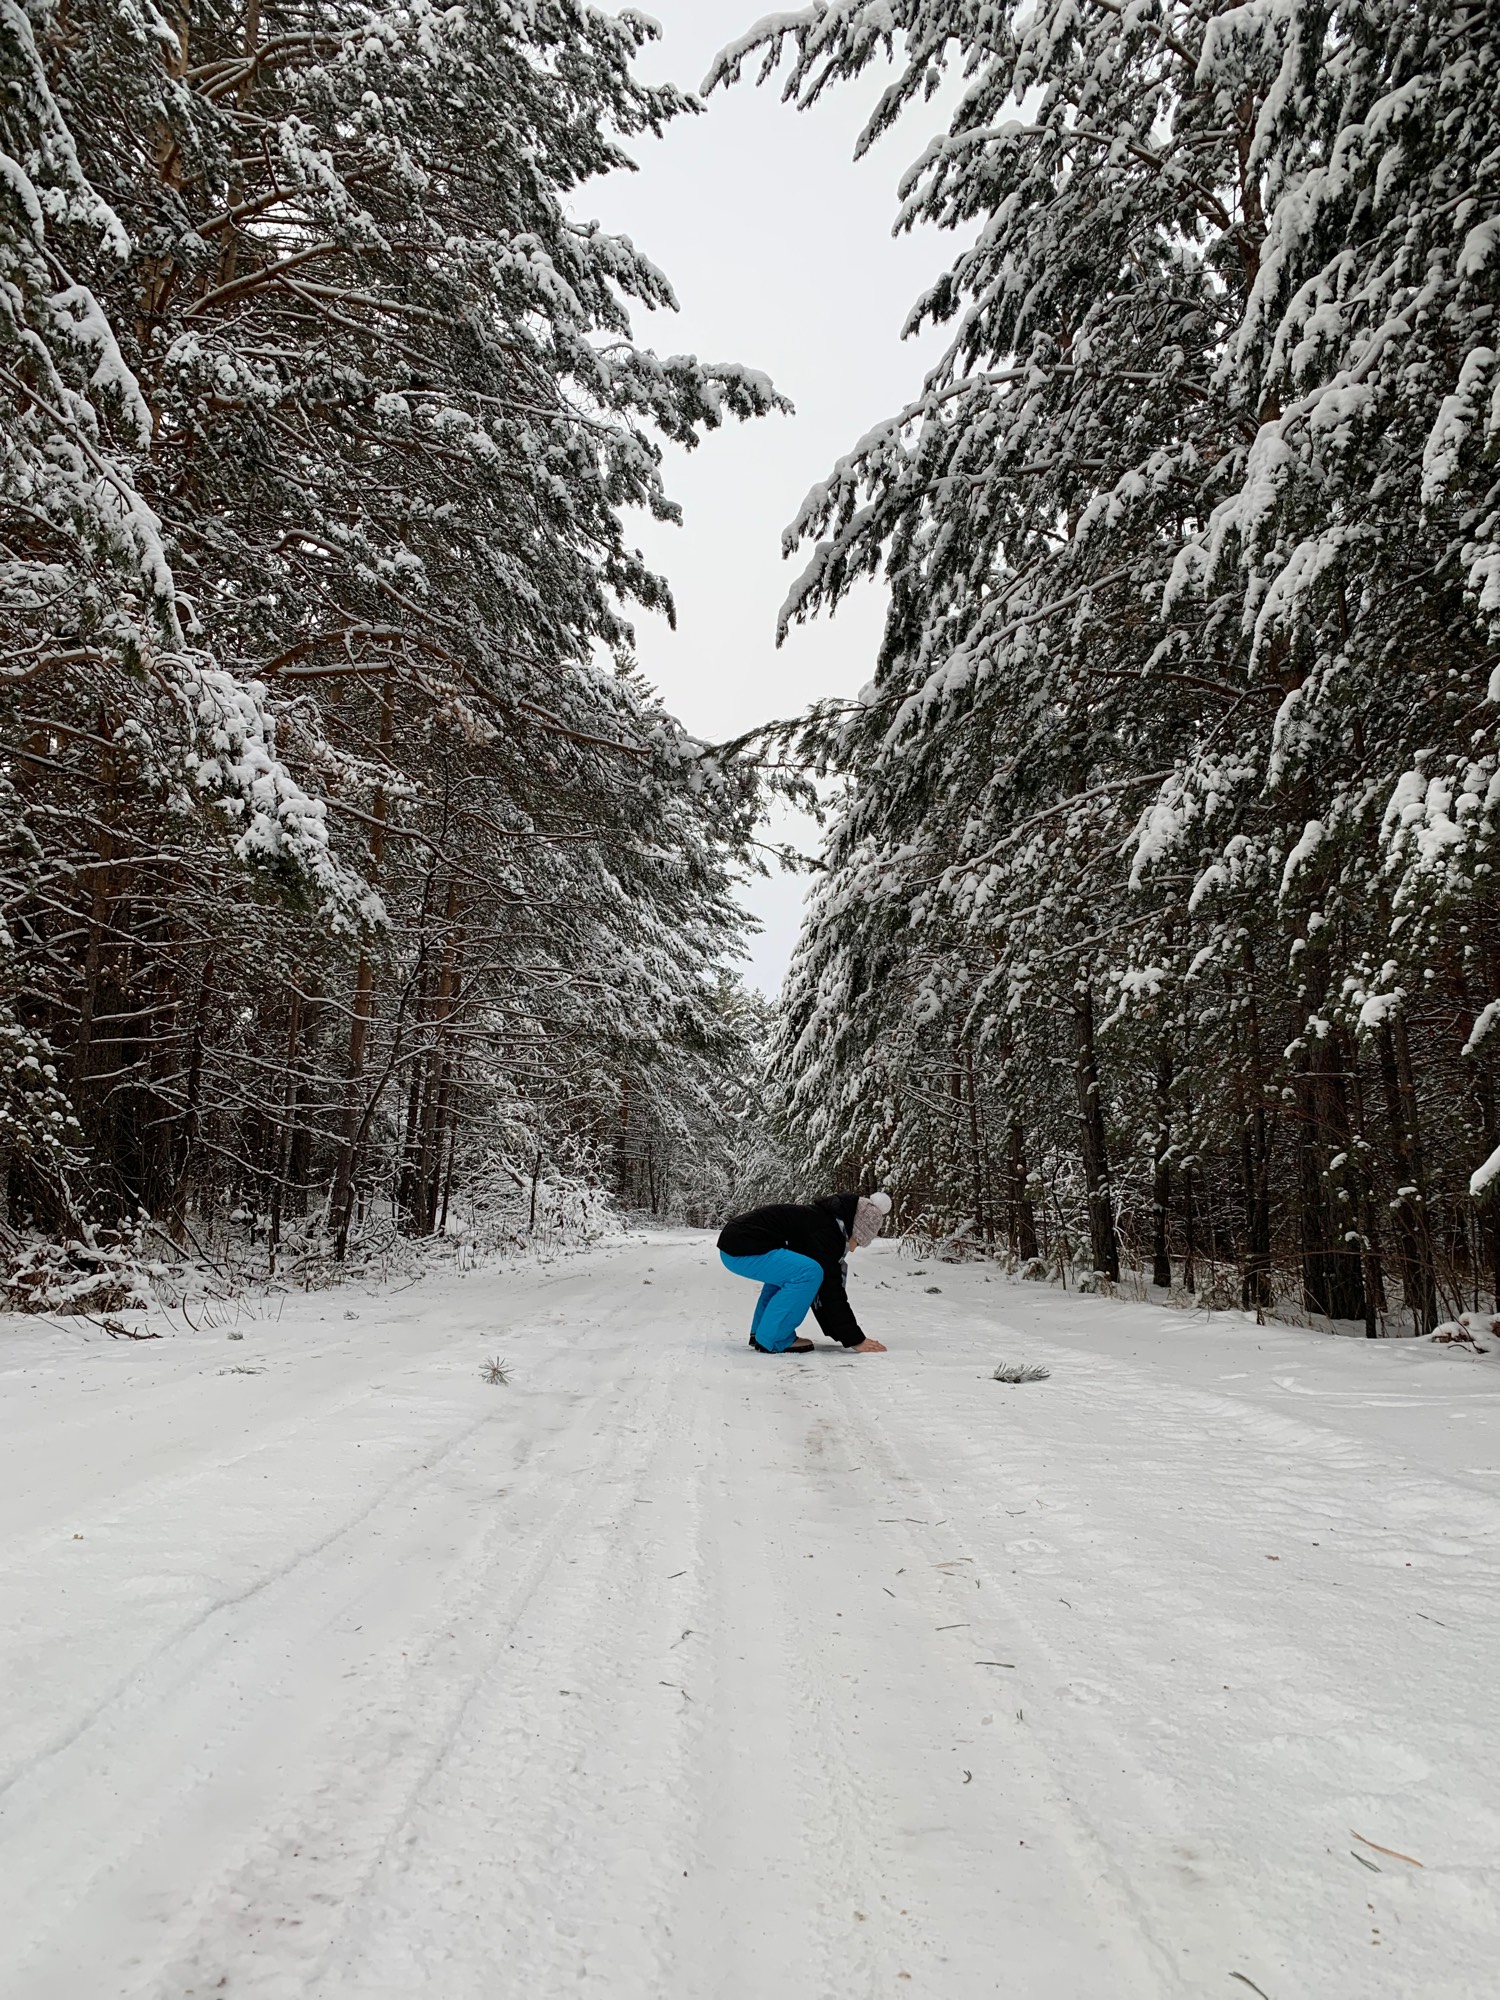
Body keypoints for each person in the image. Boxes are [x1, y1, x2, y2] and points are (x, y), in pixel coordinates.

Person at [717, 1191, 892, 1354]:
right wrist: (855, 1339)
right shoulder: (827, 1234)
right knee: (809, 1272)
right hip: (740, 1248)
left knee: (791, 1272)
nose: (854, 1249)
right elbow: (830, 1292)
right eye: (858, 1242)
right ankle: (775, 1337)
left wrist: (845, 1334)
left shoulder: (822, 1221)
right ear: (855, 1229)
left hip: (734, 1245)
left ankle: (763, 1331)